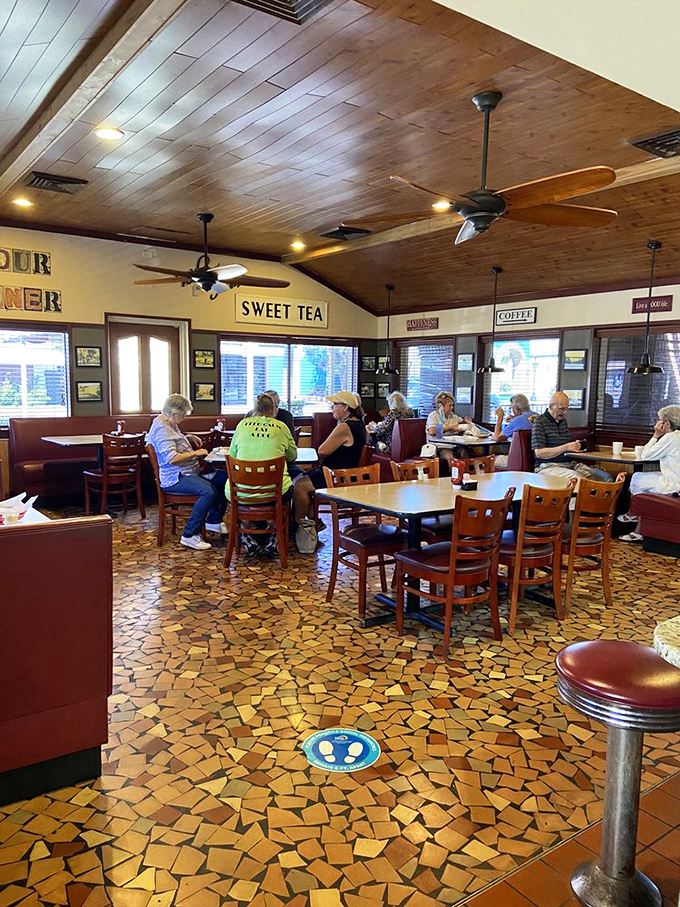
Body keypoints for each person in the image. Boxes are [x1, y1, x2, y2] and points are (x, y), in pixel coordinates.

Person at [147, 394, 227, 551]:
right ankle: (190, 535)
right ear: (174, 413)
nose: (184, 418)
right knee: (208, 491)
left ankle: (213, 520)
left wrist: (187, 437)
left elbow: (173, 442)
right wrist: (196, 453)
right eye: (183, 414)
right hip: (175, 477)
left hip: (187, 472)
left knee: (223, 479)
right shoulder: (162, 429)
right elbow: (172, 458)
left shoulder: (168, 422)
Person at [293, 391, 367, 554]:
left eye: (335, 405)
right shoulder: (358, 424)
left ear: (346, 407)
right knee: (300, 475)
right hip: (344, 473)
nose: (332, 408)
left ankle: (300, 526)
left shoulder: (344, 427)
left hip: (336, 476)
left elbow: (322, 450)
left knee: (299, 486)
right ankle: (314, 521)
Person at [228, 392, 298, 557]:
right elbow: (292, 456)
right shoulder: (282, 426)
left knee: (235, 496)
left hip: (242, 492)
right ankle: (274, 535)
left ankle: (246, 536)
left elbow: (232, 455)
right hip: (275, 492)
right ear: (274, 409)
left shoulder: (242, 425)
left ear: (254, 409)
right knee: (286, 491)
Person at [618, 405, 680, 541]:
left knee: (637, 478)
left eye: (659, 420)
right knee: (641, 480)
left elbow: (645, 455)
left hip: (674, 485)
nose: (656, 423)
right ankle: (636, 521)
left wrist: (656, 435)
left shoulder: (671, 437)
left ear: (667, 423)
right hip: (675, 480)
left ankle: (634, 515)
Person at [531, 391, 612, 482]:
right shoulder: (539, 422)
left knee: (606, 477)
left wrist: (576, 446)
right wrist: (567, 447)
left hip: (570, 464)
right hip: (547, 466)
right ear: (551, 406)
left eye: (566, 409)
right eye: (561, 409)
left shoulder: (563, 422)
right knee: (580, 481)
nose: (565, 412)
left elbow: (566, 447)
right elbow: (539, 453)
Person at [425, 391, 474, 474]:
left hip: (454, 445)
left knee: (465, 453)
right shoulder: (434, 416)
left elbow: (461, 422)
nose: (452, 407)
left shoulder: (452, 416)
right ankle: (453, 480)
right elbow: (432, 431)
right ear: (441, 406)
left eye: (452, 405)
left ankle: (466, 479)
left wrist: (466, 421)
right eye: (449, 405)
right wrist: (451, 427)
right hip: (440, 446)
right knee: (450, 457)